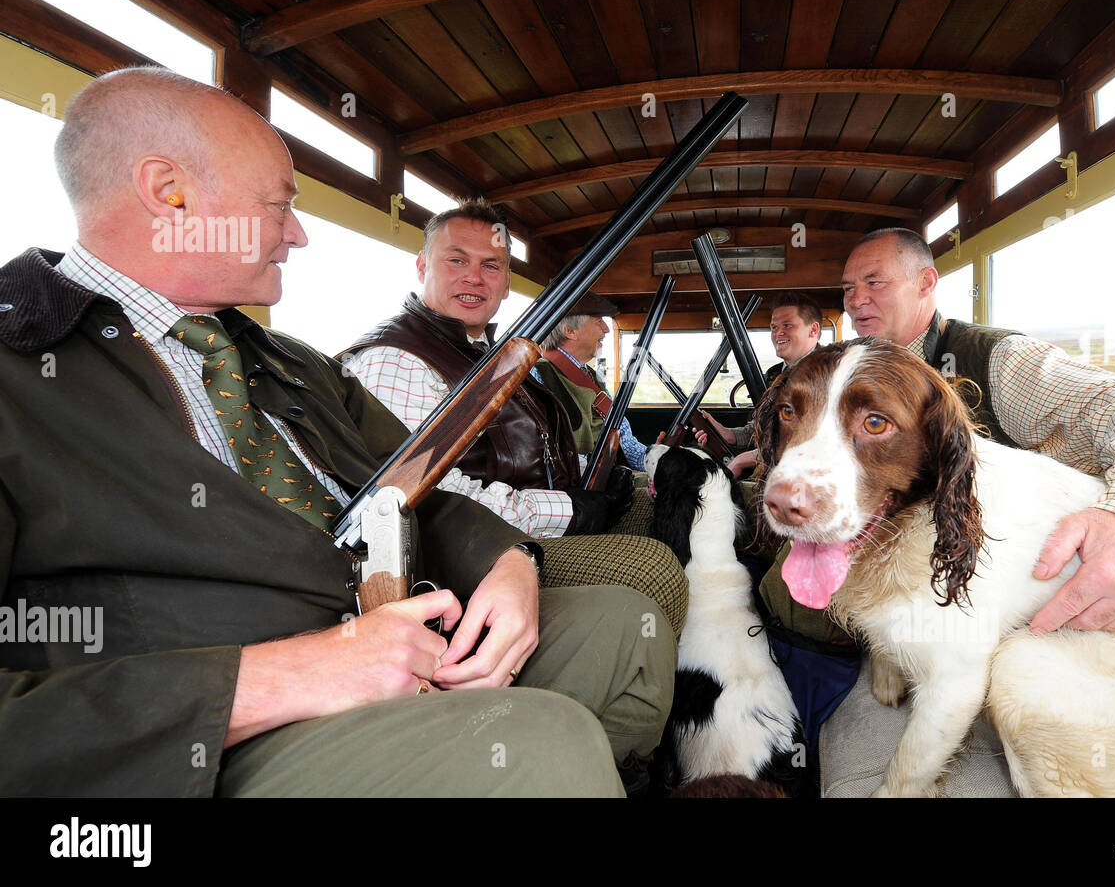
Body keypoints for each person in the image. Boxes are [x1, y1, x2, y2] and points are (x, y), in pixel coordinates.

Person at [0, 67, 674, 797]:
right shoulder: (19, 369)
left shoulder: (291, 362)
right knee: (545, 745)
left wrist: (509, 561)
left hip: (396, 637)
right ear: (171, 193)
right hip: (205, 742)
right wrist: (265, 682)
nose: (298, 234)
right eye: (278, 205)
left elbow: (412, 483)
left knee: (625, 633)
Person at [764, 225, 1115, 638]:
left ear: (926, 283)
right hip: (898, 571)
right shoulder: (848, 364)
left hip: (987, 582)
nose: (857, 301)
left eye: (875, 282)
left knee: (793, 614)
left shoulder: (998, 360)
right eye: (849, 289)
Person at [343, 200, 687, 635]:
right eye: (457, 260)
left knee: (660, 505)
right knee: (653, 569)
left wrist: (593, 473)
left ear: (506, 283)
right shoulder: (396, 360)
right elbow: (438, 500)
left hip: (528, 524)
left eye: (491, 266)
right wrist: (570, 510)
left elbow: (526, 450)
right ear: (422, 266)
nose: (474, 277)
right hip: (474, 554)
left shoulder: (488, 355)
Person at [694, 291, 825, 477]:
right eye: (773, 327)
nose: (778, 333)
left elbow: (814, 441)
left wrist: (746, 459)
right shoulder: (774, 375)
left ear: (813, 330)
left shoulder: (828, 375)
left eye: (787, 325)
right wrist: (728, 435)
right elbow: (762, 428)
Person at [534, 294, 648, 471]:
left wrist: (658, 460)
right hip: (572, 484)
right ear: (569, 331)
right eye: (598, 321)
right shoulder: (537, 374)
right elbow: (539, 447)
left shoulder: (591, 376)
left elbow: (625, 440)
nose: (606, 329)